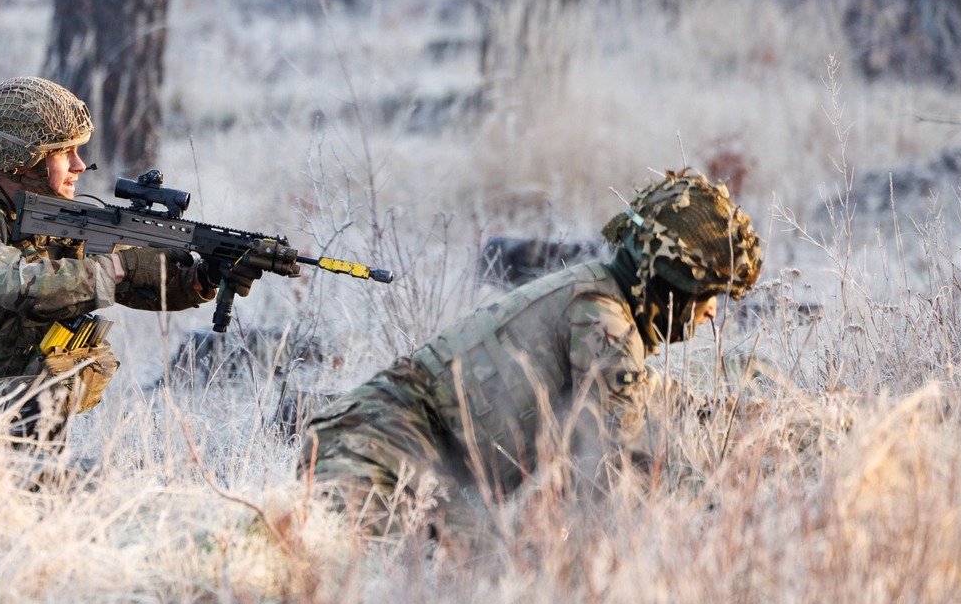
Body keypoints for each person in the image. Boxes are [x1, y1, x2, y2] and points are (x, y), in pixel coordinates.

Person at [300, 169, 762, 532]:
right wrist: (711, 514)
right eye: (707, 295)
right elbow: (616, 465)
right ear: (671, 285)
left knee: (483, 563)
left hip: (381, 449)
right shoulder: (604, 321)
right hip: (372, 456)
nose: (712, 314)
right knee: (477, 571)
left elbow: (646, 397)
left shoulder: (598, 298)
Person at [0, 77, 264, 440]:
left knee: (55, 385)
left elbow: (140, 282)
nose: (80, 165)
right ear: (24, 160)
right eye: (64, 153)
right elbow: (18, 285)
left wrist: (204, 275)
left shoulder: (50, 214)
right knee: (47, 396)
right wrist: (117, 267)